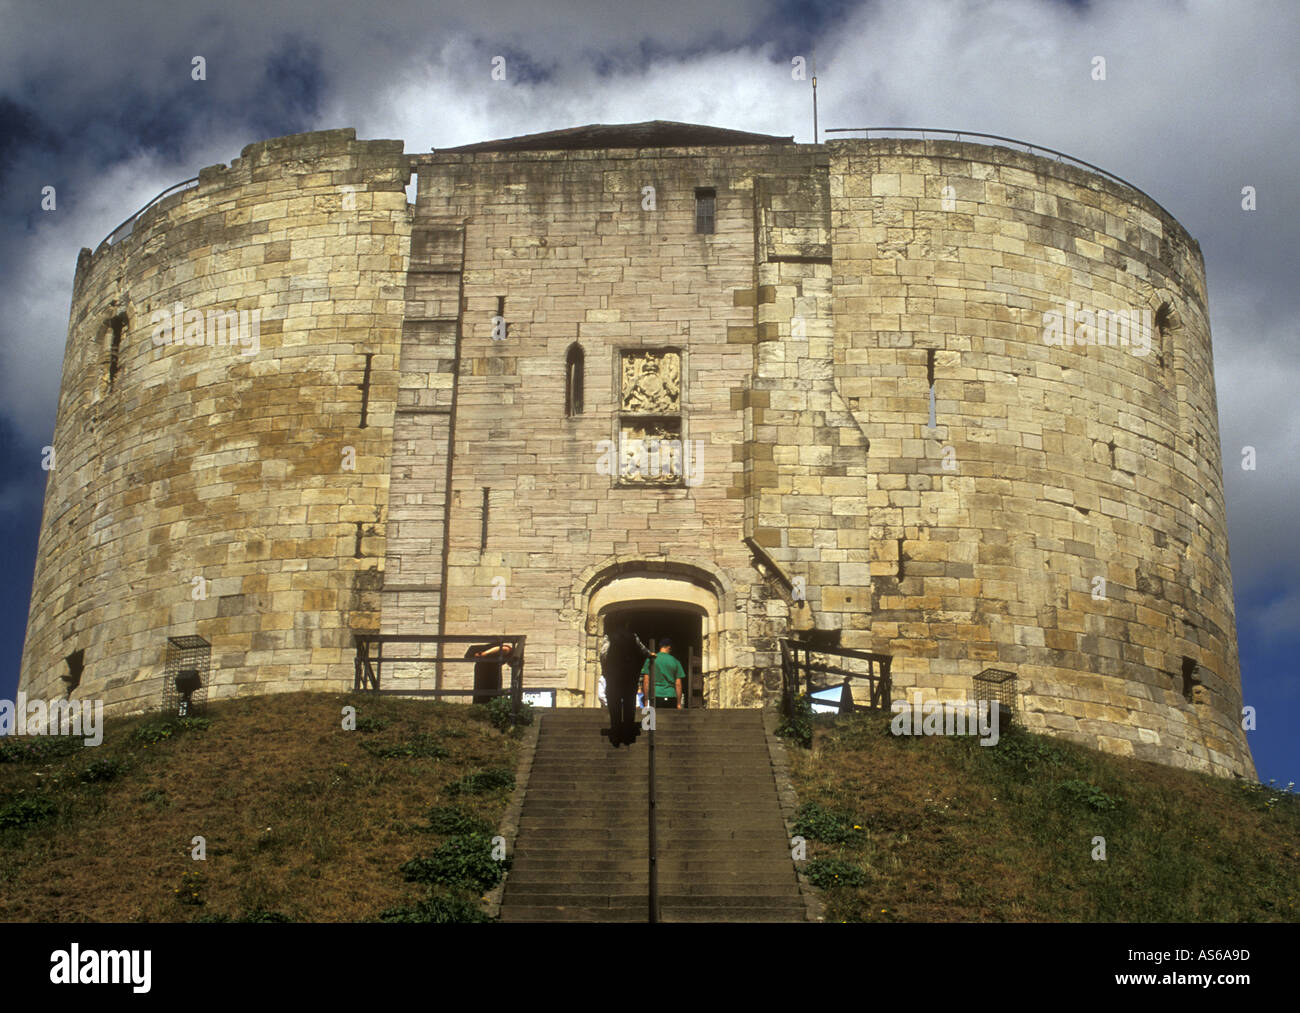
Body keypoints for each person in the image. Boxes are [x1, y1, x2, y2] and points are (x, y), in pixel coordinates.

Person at [642, 639, 686, 710]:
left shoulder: (651, 659)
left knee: (654, 720)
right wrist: (678, 703)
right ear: (669, 647)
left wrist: (646, 701)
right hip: (671, 696)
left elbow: (646, 681)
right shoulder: (675, 661)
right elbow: (678, 684)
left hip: (655, 696)